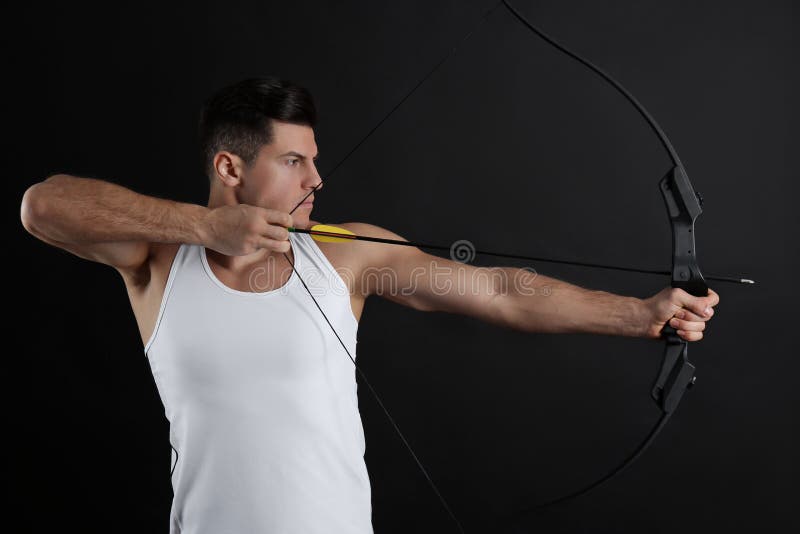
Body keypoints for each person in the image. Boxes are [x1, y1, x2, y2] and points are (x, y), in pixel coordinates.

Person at [19, 76, 719, 534]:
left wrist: (637, 313)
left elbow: (503, 293)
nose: (317, 178)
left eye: (313, 159)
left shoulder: (346, 256)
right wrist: (205, 228)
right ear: (231, 168)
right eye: (295, 160)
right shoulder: (156, 263)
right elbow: (42, 206)